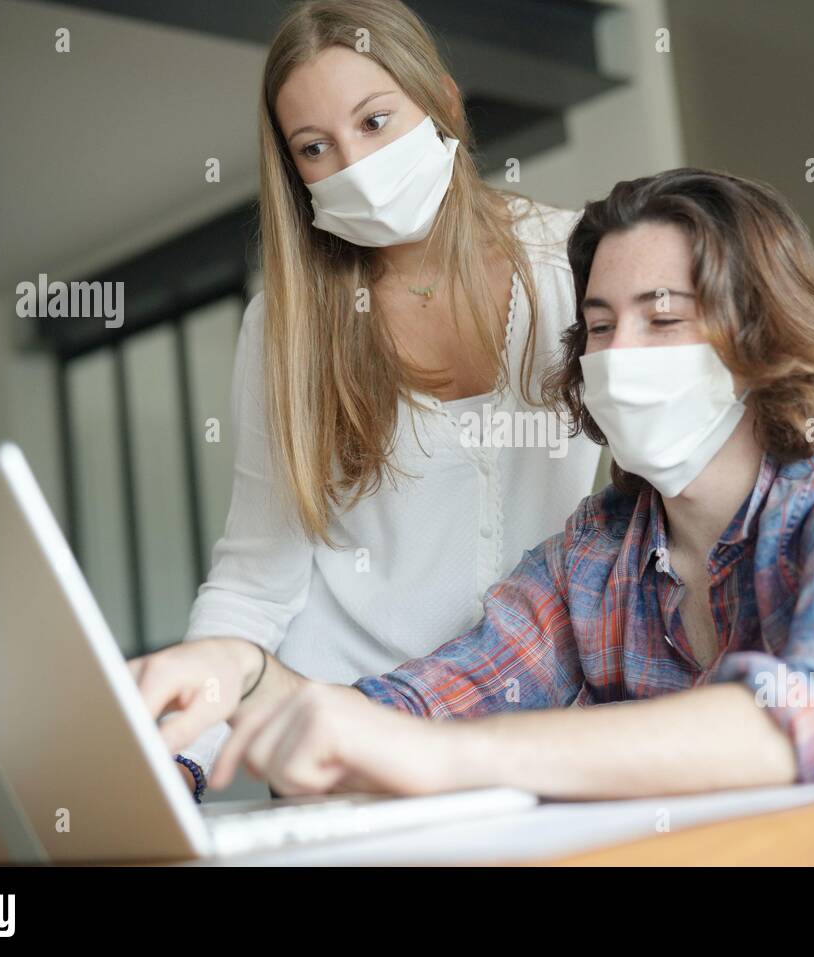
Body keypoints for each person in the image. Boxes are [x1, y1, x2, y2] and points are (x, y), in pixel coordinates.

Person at [133, 168, 814, 866]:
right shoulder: (594, 551)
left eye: (662, 317)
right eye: (601, 325)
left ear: (760, 335)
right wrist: (243, 674)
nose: (620, 355)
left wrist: (455, 760)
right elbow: (422, 702)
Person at [169, 0, 601, 796]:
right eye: (315, 147)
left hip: (531, 739)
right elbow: (254, 579)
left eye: (375, 121)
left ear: (442, 101)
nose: (354, 164)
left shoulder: (576, 269)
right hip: (341, 746)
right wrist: (179, 753)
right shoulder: (286, 328)